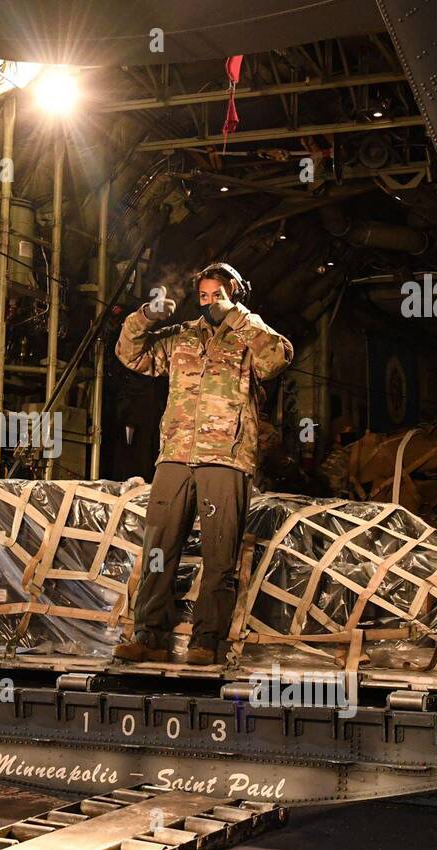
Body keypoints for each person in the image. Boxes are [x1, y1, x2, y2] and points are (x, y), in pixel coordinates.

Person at [113, 263, 293, 664]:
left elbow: (276, 360)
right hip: (176, 453)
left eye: (219, 295)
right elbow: (131, 355)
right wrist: (147, 316)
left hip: (225, 458)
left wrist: (237, 316)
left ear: (234, 293)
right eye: (205, 296)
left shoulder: (250, 335)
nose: (211, 302)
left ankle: (206, 641)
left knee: (219, 555)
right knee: (159, 546)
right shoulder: (182, 337)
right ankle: (150, 637)